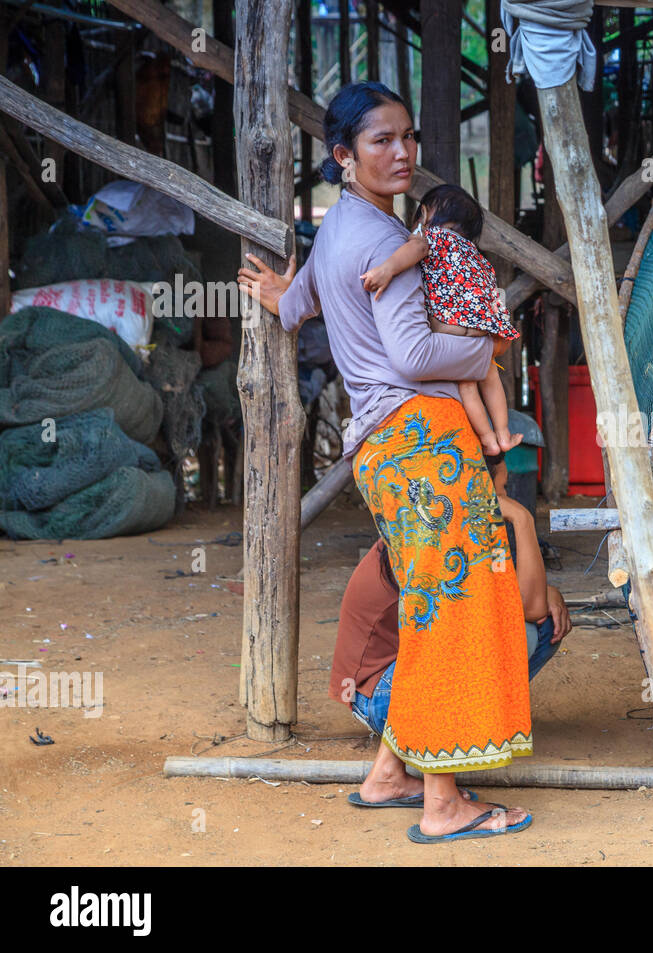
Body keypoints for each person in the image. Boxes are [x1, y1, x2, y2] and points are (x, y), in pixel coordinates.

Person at [237, 81, 531, 843]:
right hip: (424, 441)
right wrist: (490, 346)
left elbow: (298, 301)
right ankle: (444, 807)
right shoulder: (379, 241)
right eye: (380, 141)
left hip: (381, 451)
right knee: (454, 612)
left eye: (407, 137)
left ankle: (389, 773)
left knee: (429, 604)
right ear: (343, 155)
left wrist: (277, 294)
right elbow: (415, 351)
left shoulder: (340, 227)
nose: (402, 153)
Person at [334, 453, 572, 808]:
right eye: (500, 489)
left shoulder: (459, 530)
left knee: (541, 625)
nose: (503, 497)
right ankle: (398, 770)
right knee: (512, 632)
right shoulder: (436, 539)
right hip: (379, 696)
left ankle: (401, 765)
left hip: (392, 687)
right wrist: (522, 519)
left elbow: (526, 600)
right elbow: (527, 608)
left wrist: (549, 591)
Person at [359, 184, 522, 457]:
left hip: (449, 325)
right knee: (490, 374)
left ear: (422, 213)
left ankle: (488, 440)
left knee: (467, 385)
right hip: (481, 327)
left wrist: (388, 268)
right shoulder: (475, 255)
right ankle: (503, 435)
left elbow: (416, 249)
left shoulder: (429, 236)